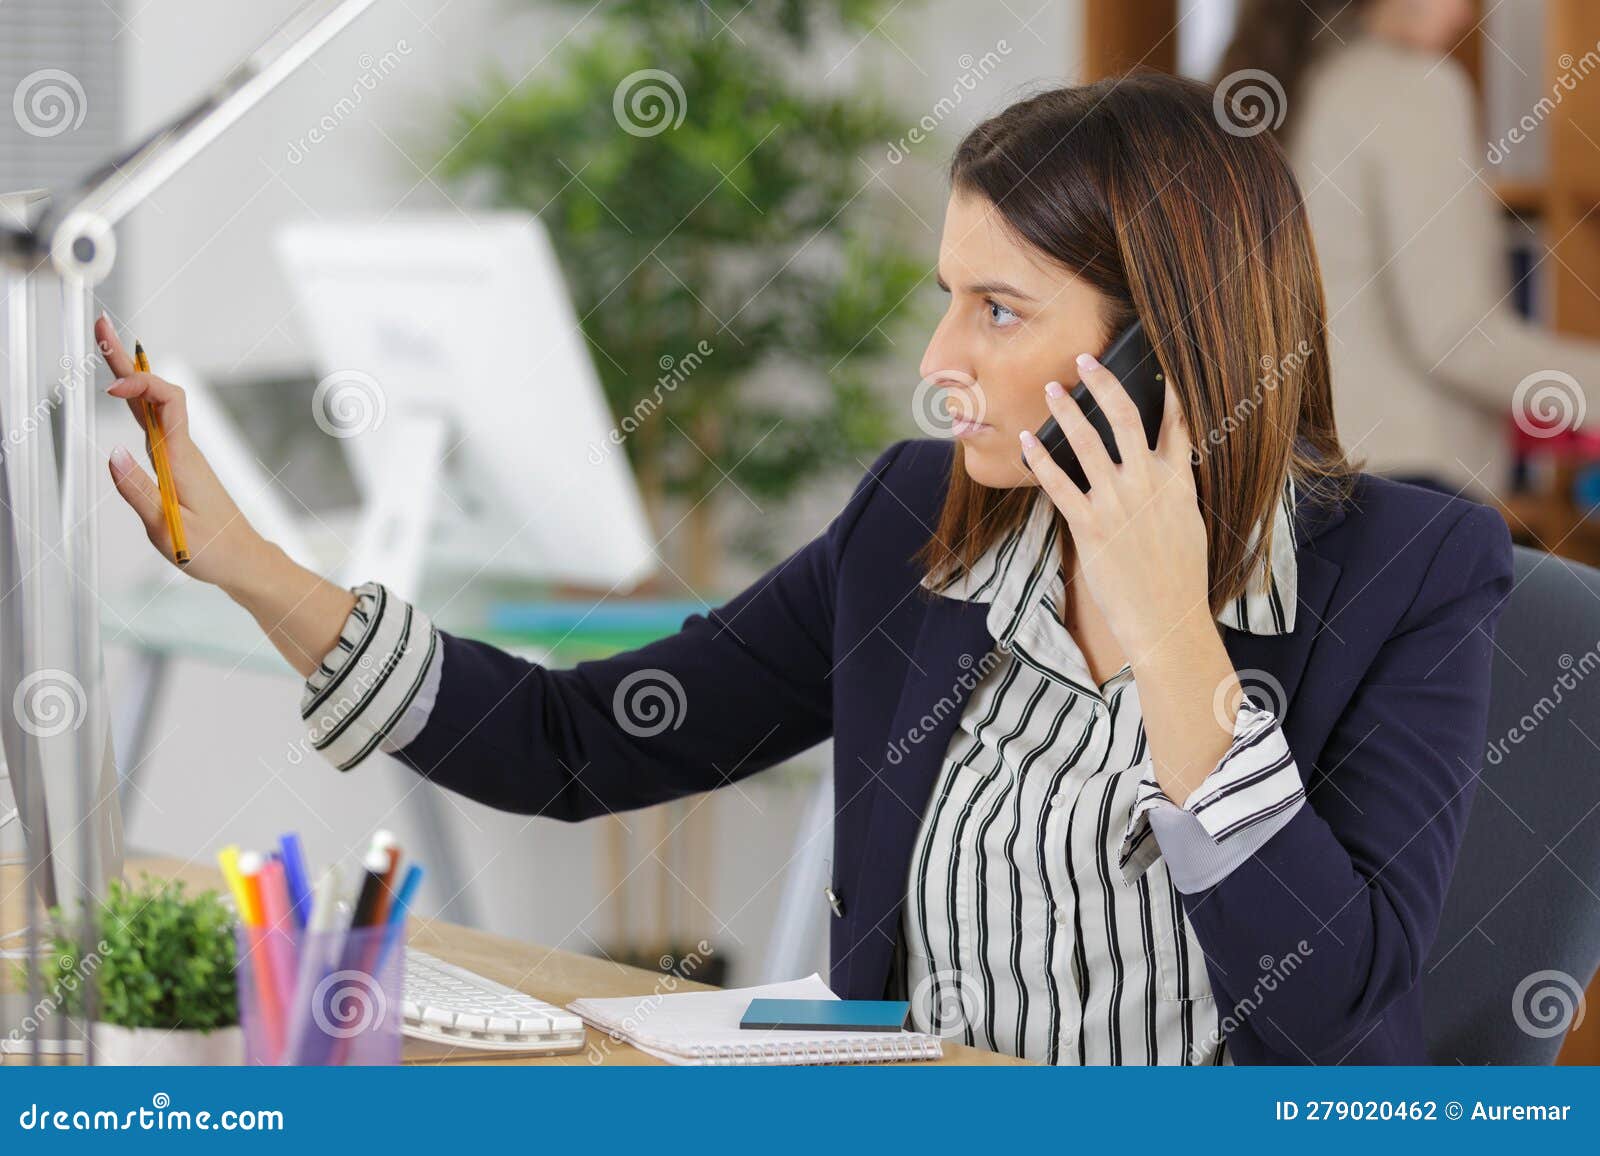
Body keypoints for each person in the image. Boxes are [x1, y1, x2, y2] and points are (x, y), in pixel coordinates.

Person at [96, 73, 1511, 1065]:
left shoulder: (1410, 571)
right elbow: (573, 745)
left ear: (1162, 347)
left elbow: (1339, 1024)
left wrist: (1173, 644)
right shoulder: (924, 521)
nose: (937, 365)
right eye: (944, 300)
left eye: (998, 311)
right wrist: (251, 566)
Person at [1221, 0, 1600, 496]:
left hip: (1303, 477)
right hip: (1407, 483)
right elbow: (1455, 335)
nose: (1468, 16)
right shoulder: (1411, 89)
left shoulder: (1296, 84)